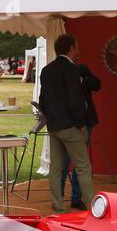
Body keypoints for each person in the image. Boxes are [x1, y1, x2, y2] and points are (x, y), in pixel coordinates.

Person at [39, 33, 99, 213]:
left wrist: (51, 117)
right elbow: (75, 100)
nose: (78, 50)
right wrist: (80, 124)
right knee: (83, 167)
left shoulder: (46, 70)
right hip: (71, 126)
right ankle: (91, 207)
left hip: (54, 125)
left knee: (56, 167)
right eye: (77, 46)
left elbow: (43, 101)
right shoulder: (72, 70)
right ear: (71, 48)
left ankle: (58, 205)